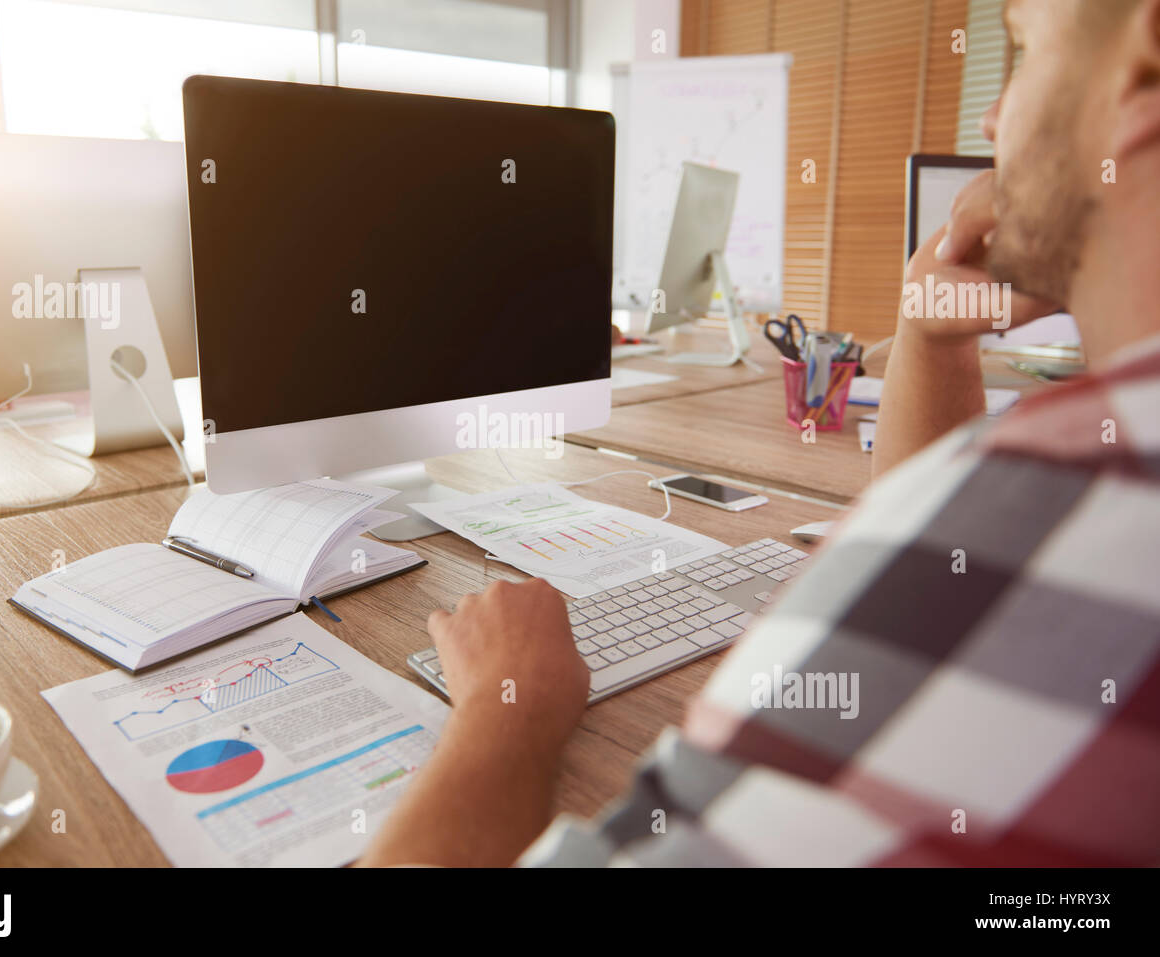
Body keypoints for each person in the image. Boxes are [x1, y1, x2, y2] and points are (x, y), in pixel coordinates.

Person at [357, 0, 1160, 867]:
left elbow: (944, 559)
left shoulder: (1080, 497)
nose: (995, 119)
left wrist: (507, 708)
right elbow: (943, 548)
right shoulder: (1073, 509)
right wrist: (932, 325)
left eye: (1026, 45)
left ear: (1144, 52)